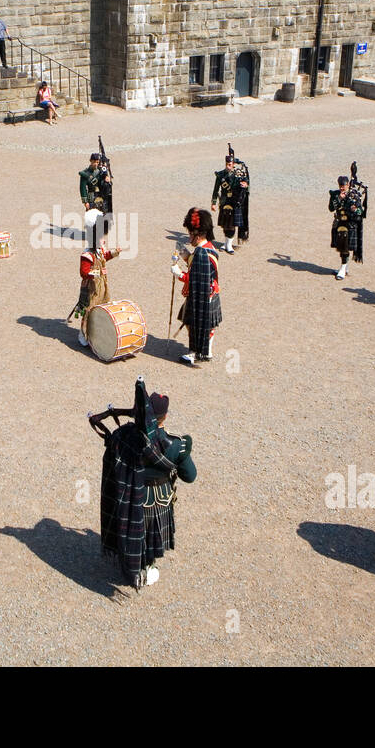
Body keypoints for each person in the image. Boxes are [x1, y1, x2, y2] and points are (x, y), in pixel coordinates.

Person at [89, 379, 196, 589]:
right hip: (159, 497)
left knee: (132, 529)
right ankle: (146, 567)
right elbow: (190, 476)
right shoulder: (177, 445)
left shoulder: (123, 437)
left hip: (130, 494)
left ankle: (130, 563)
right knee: (151, 534)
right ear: (164, 416)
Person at [171, 207, 221, 365]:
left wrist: (178, 273)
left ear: (197, 234)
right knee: (204, 325)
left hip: (201, 295)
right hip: (210, 293)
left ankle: (197, 352)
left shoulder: (201, 253)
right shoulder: (209, 247)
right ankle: (207, 351)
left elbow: (195, 279)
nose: (189, 236)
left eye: (190, 233)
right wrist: (185, 254)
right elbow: (197, 267)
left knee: (194, 324)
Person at [72, 209, 118, 346]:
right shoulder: (87, 255)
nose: (103, 240)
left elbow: (104, 258)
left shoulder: (99, 250)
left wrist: (114, 253)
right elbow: (84, 272)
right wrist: (97, 272)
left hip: (102, 285)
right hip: (91, 287)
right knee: (88, 311)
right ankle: (83, 334)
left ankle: (96, 333)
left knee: (100, 308)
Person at [211, 149, 250, 254]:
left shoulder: (238, 174)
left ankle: (229, 246)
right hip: (224, 202)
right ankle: (225, 244)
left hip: (235, 202)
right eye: (227, 164)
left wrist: (245, 185)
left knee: (232, 224)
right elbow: (216, 189)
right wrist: (213, 202)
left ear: (233, 164)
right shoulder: (220, 175)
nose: (228, 166)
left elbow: (246, 182)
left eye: (230, 164)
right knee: (225, 224)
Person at [328, 174, 364, 280]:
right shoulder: (335, 194)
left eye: (344, 185)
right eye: (340, 185)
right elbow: (331, 208)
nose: (342, 187)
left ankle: (343, 268)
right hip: (339, 222)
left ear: (348, 184)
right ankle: (344, 267)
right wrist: (339, 198)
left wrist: (354, 209)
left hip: (349, 224)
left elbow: (360, 211)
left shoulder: (354, 195)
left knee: (345, 247)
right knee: (341, 247)